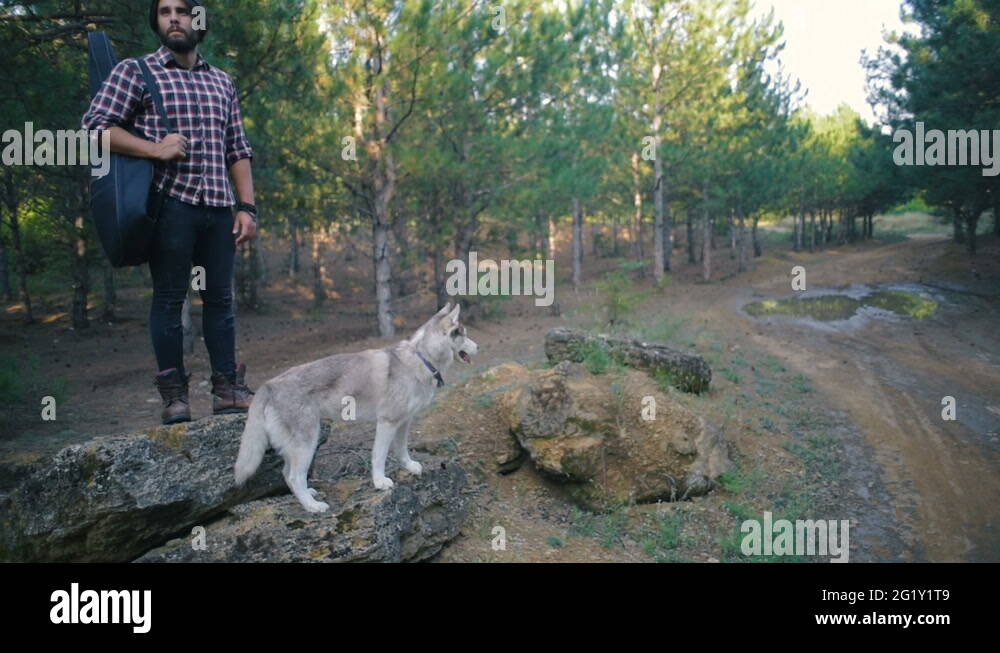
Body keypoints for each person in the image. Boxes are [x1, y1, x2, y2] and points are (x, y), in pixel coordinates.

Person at [82, 0, 257, 424]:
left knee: (220, 301)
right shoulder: (135, 71)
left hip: (217, 208)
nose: (174, 18)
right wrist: (154, 148)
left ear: (199, 20)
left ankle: (227, 389)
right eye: (164, 11)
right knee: (167, 301)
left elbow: (238, 148)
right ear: (157, 22)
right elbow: (93, 128)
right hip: (170, 204)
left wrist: (247, 206)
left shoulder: (222, 82)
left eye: (183, 10)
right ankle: (174, 396)